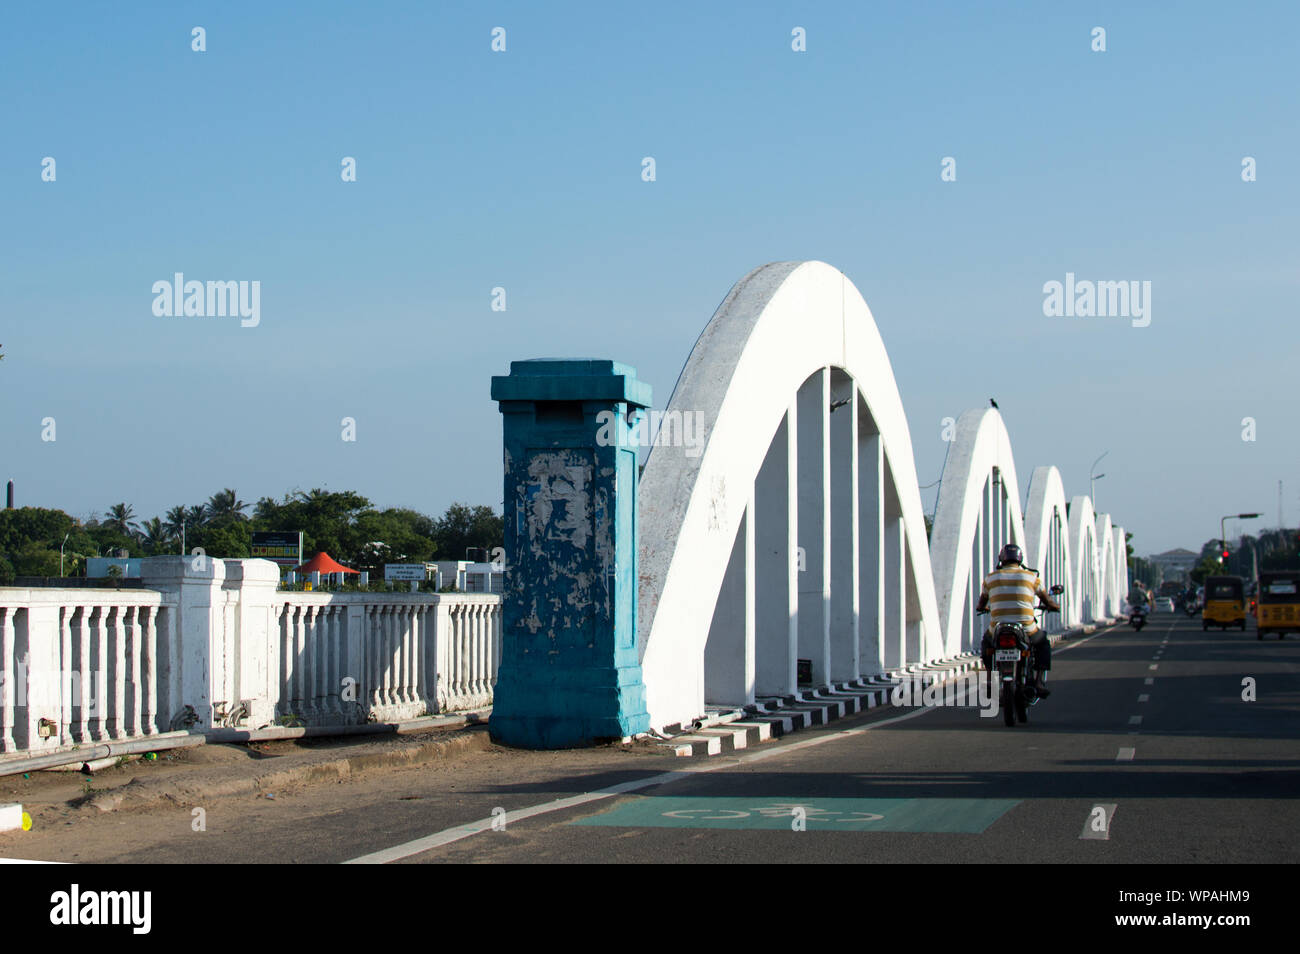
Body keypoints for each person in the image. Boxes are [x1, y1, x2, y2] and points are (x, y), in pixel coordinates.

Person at [978, 543, 1061, 696]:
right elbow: (1046, 599)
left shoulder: (990, 578)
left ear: (1001, 560)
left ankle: (990, 678)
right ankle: (1039, 682)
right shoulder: (1031, 577)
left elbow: (981, 601)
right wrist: (1054, 606)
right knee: (1043, 643)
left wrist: (981, 608)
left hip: (998, 627)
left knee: (987, 644)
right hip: (1026, 627)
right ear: (1020, 560)